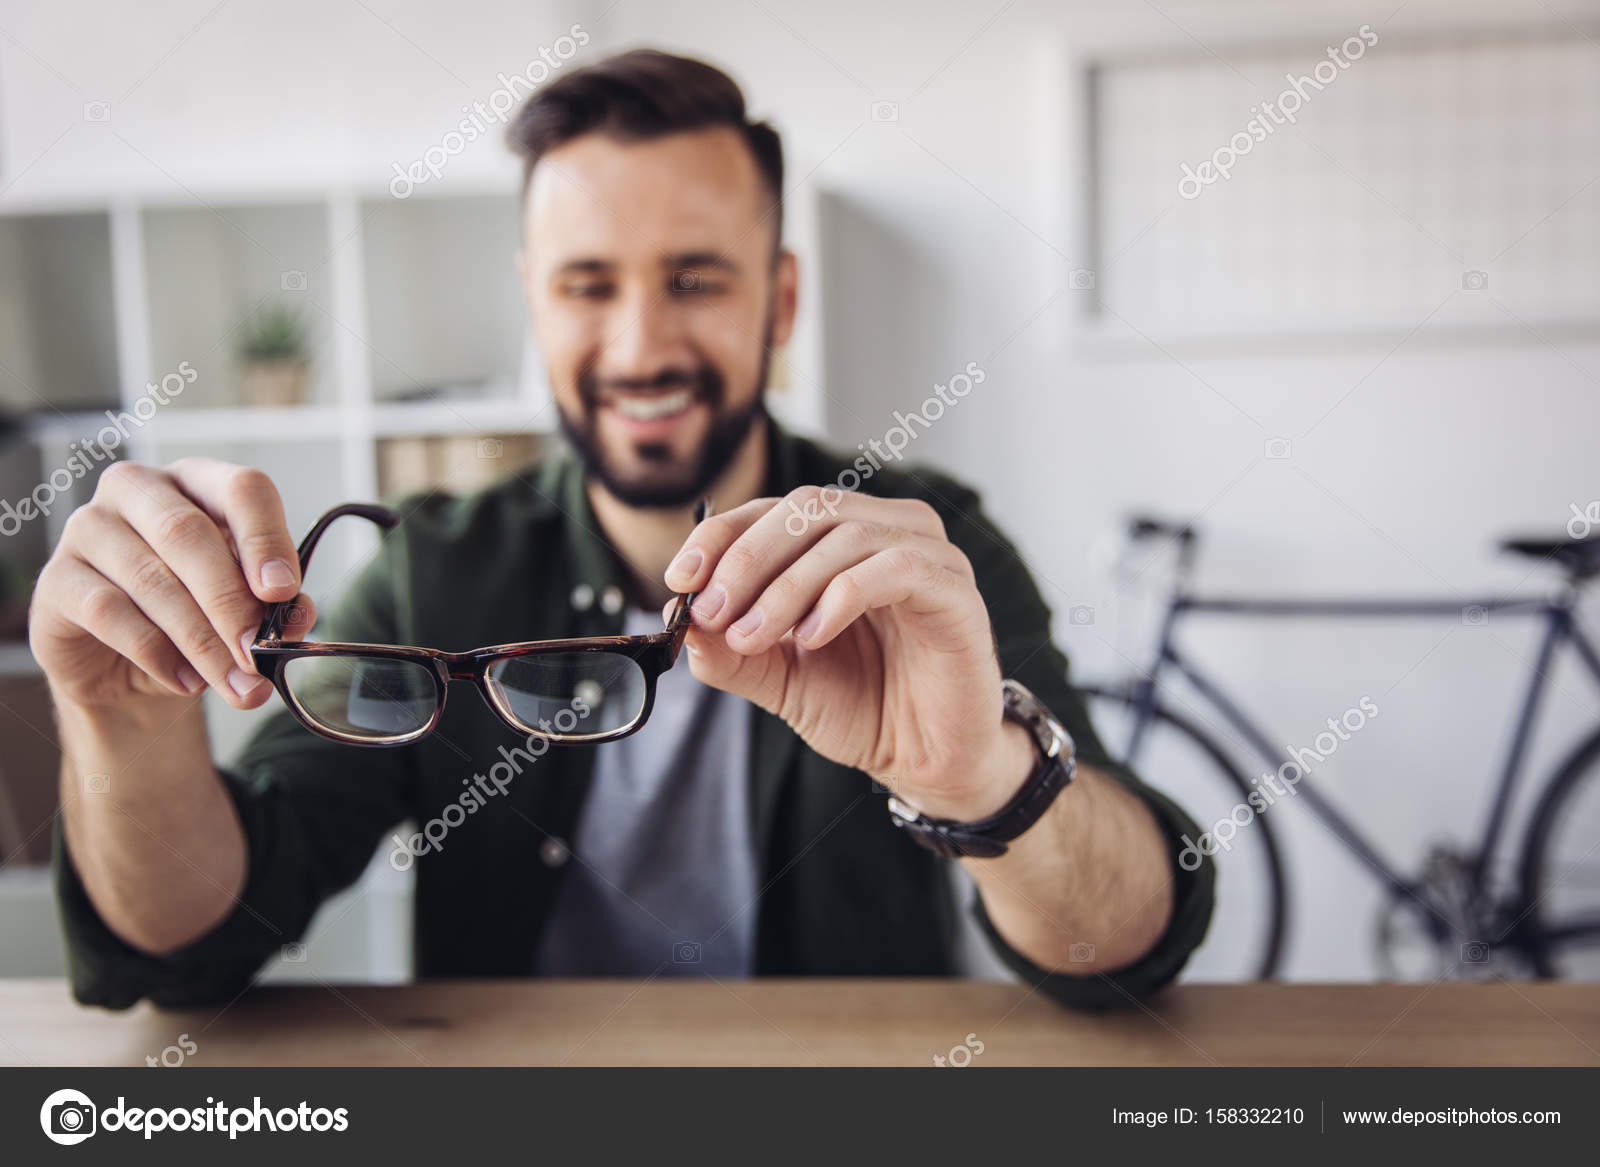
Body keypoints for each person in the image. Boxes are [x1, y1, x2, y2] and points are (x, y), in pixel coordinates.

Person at [34, 49, 1212, 1011]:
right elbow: (189, 946)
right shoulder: (429, 573)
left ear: (780, 300)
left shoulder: (921, 558)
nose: (641, 347)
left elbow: (1125, 948)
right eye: (587, 285)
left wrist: (980, 779)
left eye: (695, 280)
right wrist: (122, 726)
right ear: (534, 304)